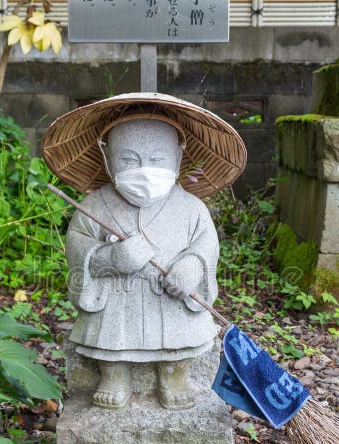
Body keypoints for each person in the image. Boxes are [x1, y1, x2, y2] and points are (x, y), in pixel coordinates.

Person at [42, 93, 246, 410]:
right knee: (109, 339)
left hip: (172, 298)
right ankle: (114, 376)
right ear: (107, 157)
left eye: (157, 160)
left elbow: (207, 243)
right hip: (117, 300)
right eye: (129, 160)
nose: (144, 171)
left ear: (179, 157)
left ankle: (175, 377)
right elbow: (78, 244)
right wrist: (108, 259)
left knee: (180, 338)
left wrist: (193, 265)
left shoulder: (192, 208)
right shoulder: (95, 205)